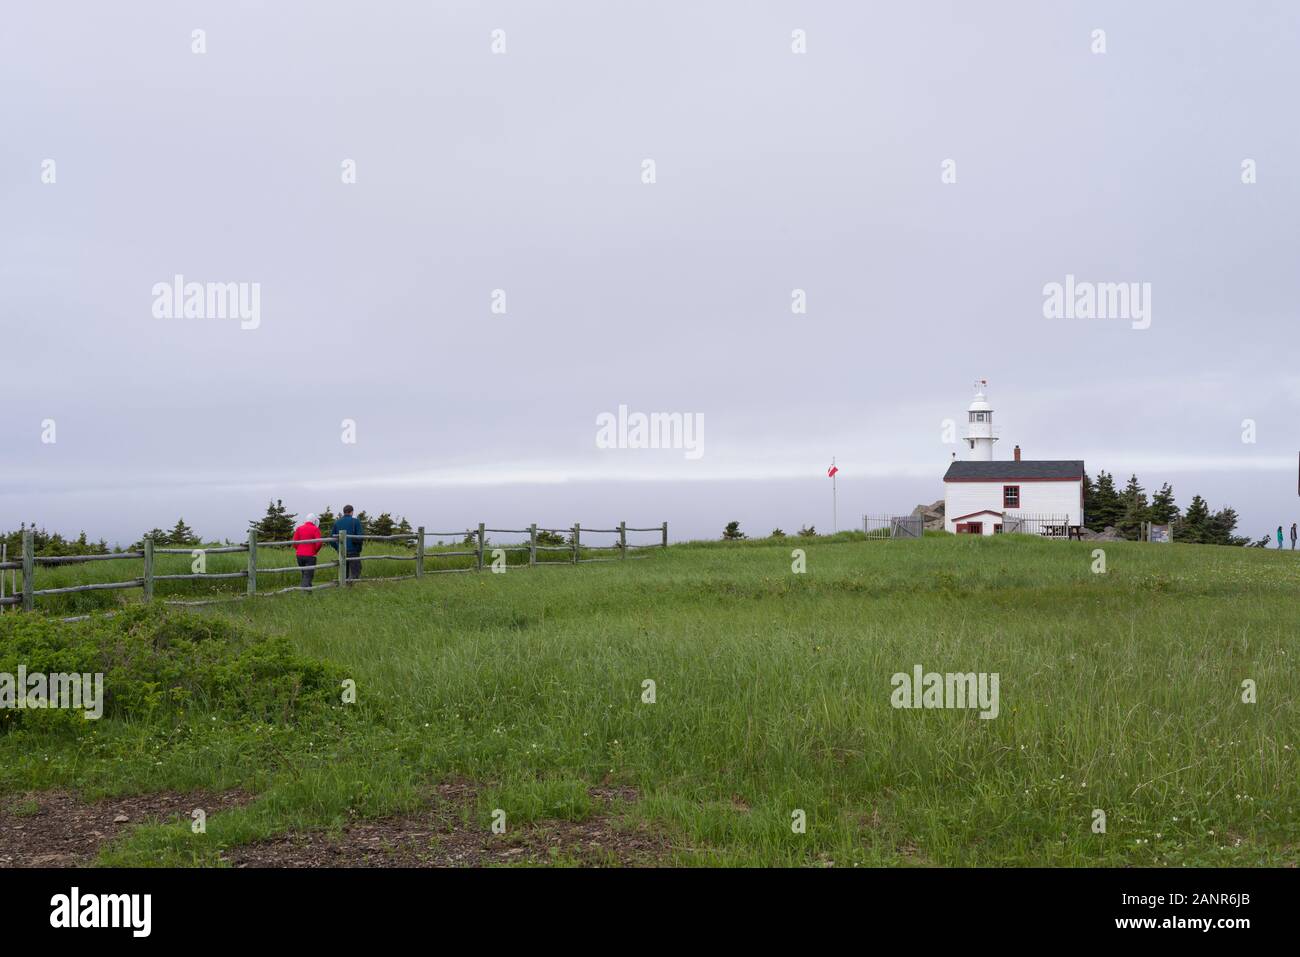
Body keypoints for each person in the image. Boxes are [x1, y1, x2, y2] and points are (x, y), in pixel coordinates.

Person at [329, 504, 364, 584]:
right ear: (351, 512)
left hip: (341, 552)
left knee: (344, 572)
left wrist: (338, 547)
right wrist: (358, 548)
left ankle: (344, 587)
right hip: (353, 551)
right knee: (356, 571)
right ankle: (351, 588)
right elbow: (360, 537)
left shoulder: (337, 522)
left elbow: (331, 539)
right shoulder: (356, 521)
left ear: (344, 512)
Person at [292, 513, 324, 589]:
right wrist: (315, 551)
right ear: (314, 521)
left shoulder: (299, 528)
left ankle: (308, 591)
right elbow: (319, 543)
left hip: (299, 555)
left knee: (304, 573)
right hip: (310, 555)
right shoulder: (315, 529)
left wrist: (299, 550)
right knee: (309, 574)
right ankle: (304, 591)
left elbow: (294, 542)